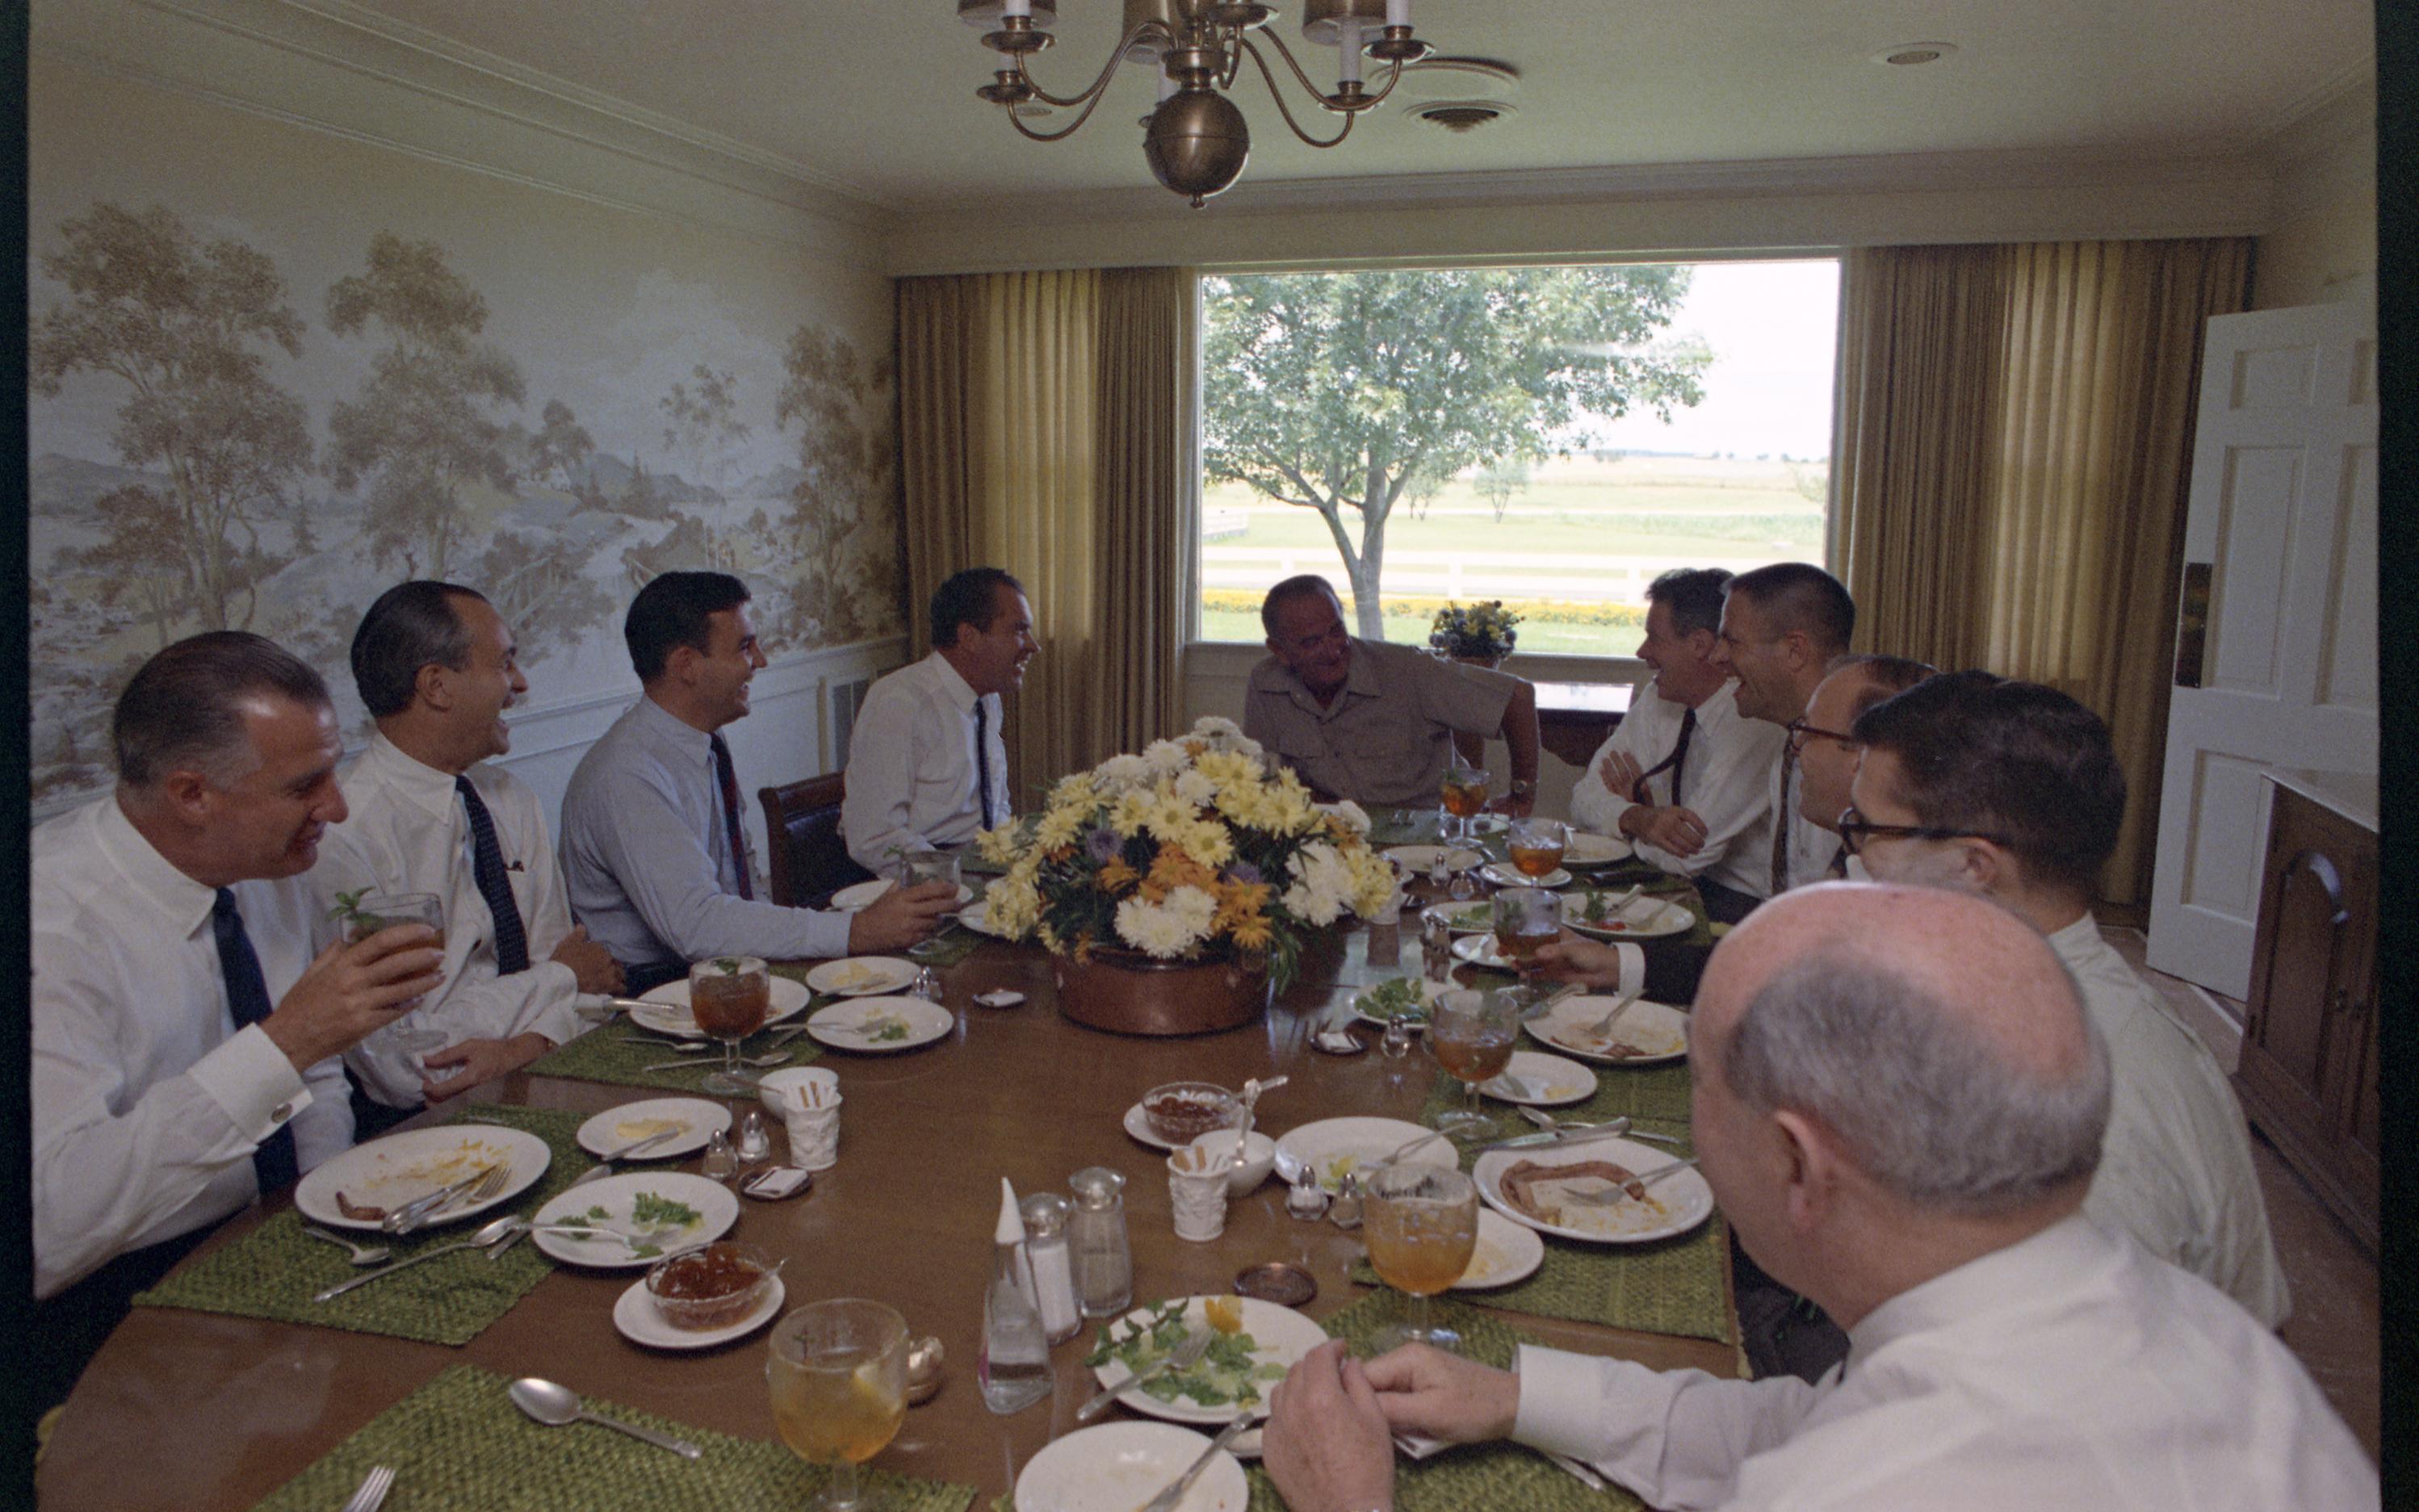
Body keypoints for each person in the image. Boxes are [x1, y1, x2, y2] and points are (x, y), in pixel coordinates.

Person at [1259, 885, 2371, 1511]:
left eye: (1700, 1085)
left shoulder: (1885, 1484)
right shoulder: (2142, 1316)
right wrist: (1515, 1395)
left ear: (1797, 1162)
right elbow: (1811, 1415)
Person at [31, 632, 444, 1405]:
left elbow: (319, 1079)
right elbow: (51, 1229)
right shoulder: (52, 929)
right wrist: (283, 1044)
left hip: (280, 1237)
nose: (337, 807)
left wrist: (323, 1217)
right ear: (193, 794)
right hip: (117, 1309)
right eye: (305, 785)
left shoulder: (268, 864)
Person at [1846, 670, 2291, 1326]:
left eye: (1868, 829)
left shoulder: (2078, 1105)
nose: (1856, 854)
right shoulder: (2021, 993)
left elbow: (2078, 1372)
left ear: (1973, 865)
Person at [313, 582, 627, 1134]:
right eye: (505, 662)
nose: (521, 683)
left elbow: (586, 992)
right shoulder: (346, 832)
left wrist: (523, 1047)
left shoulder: (511, 799)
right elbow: (406, 1065)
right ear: (437, 686)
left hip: (546, 1073)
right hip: (425, 1127)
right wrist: (558, 977)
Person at [559, 571, 954, 991]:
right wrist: (856, 931)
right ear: (687, 665)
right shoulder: (627, 774)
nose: (761, 661)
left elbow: (741, 883)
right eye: (745, 647)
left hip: (725, 973)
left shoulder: (705, 741)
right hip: (656, 994)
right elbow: (696, 926)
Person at [1569, 568, 1784, 924]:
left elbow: (1684, 857)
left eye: (1654, 638)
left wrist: (1628, 823)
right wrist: (1638, 817)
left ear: (1699, 644)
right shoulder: (1660, 696)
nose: (1642, 652)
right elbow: (1582, 799)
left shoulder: (1752, 720)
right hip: (1662, 883)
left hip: (1741, 908)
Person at [1243, 575, 1543, 814]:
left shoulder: (1406, 669)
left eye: (1337, 631)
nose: (1332, 650)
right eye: (1312, 642)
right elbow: (1264, 776)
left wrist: (1522, 795)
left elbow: (1517, 697)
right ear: (1279, 651)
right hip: (1335, 840)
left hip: (1427, 836)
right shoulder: (1266, 684)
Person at [842, 567, 1036, 877]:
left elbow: (995, 806)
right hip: (921, 880)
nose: (1032, 645)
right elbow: (874, 837)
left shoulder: (987, 697)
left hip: (981, 869)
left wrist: (1011, 864)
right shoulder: (900, 703)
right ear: (969, 637)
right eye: (1019, 630)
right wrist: (955, 880)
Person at [1708, 562, 1852, 895]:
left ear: (1795, 651)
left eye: (1732, 641)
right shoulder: (1792, 749)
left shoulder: (1847, 762)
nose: (1717, 657)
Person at [1790, 654, 1934, 879]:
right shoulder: (1855, 859)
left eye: (1808, 732)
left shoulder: (1899, 883)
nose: (1796, 746)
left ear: (1865, 754)